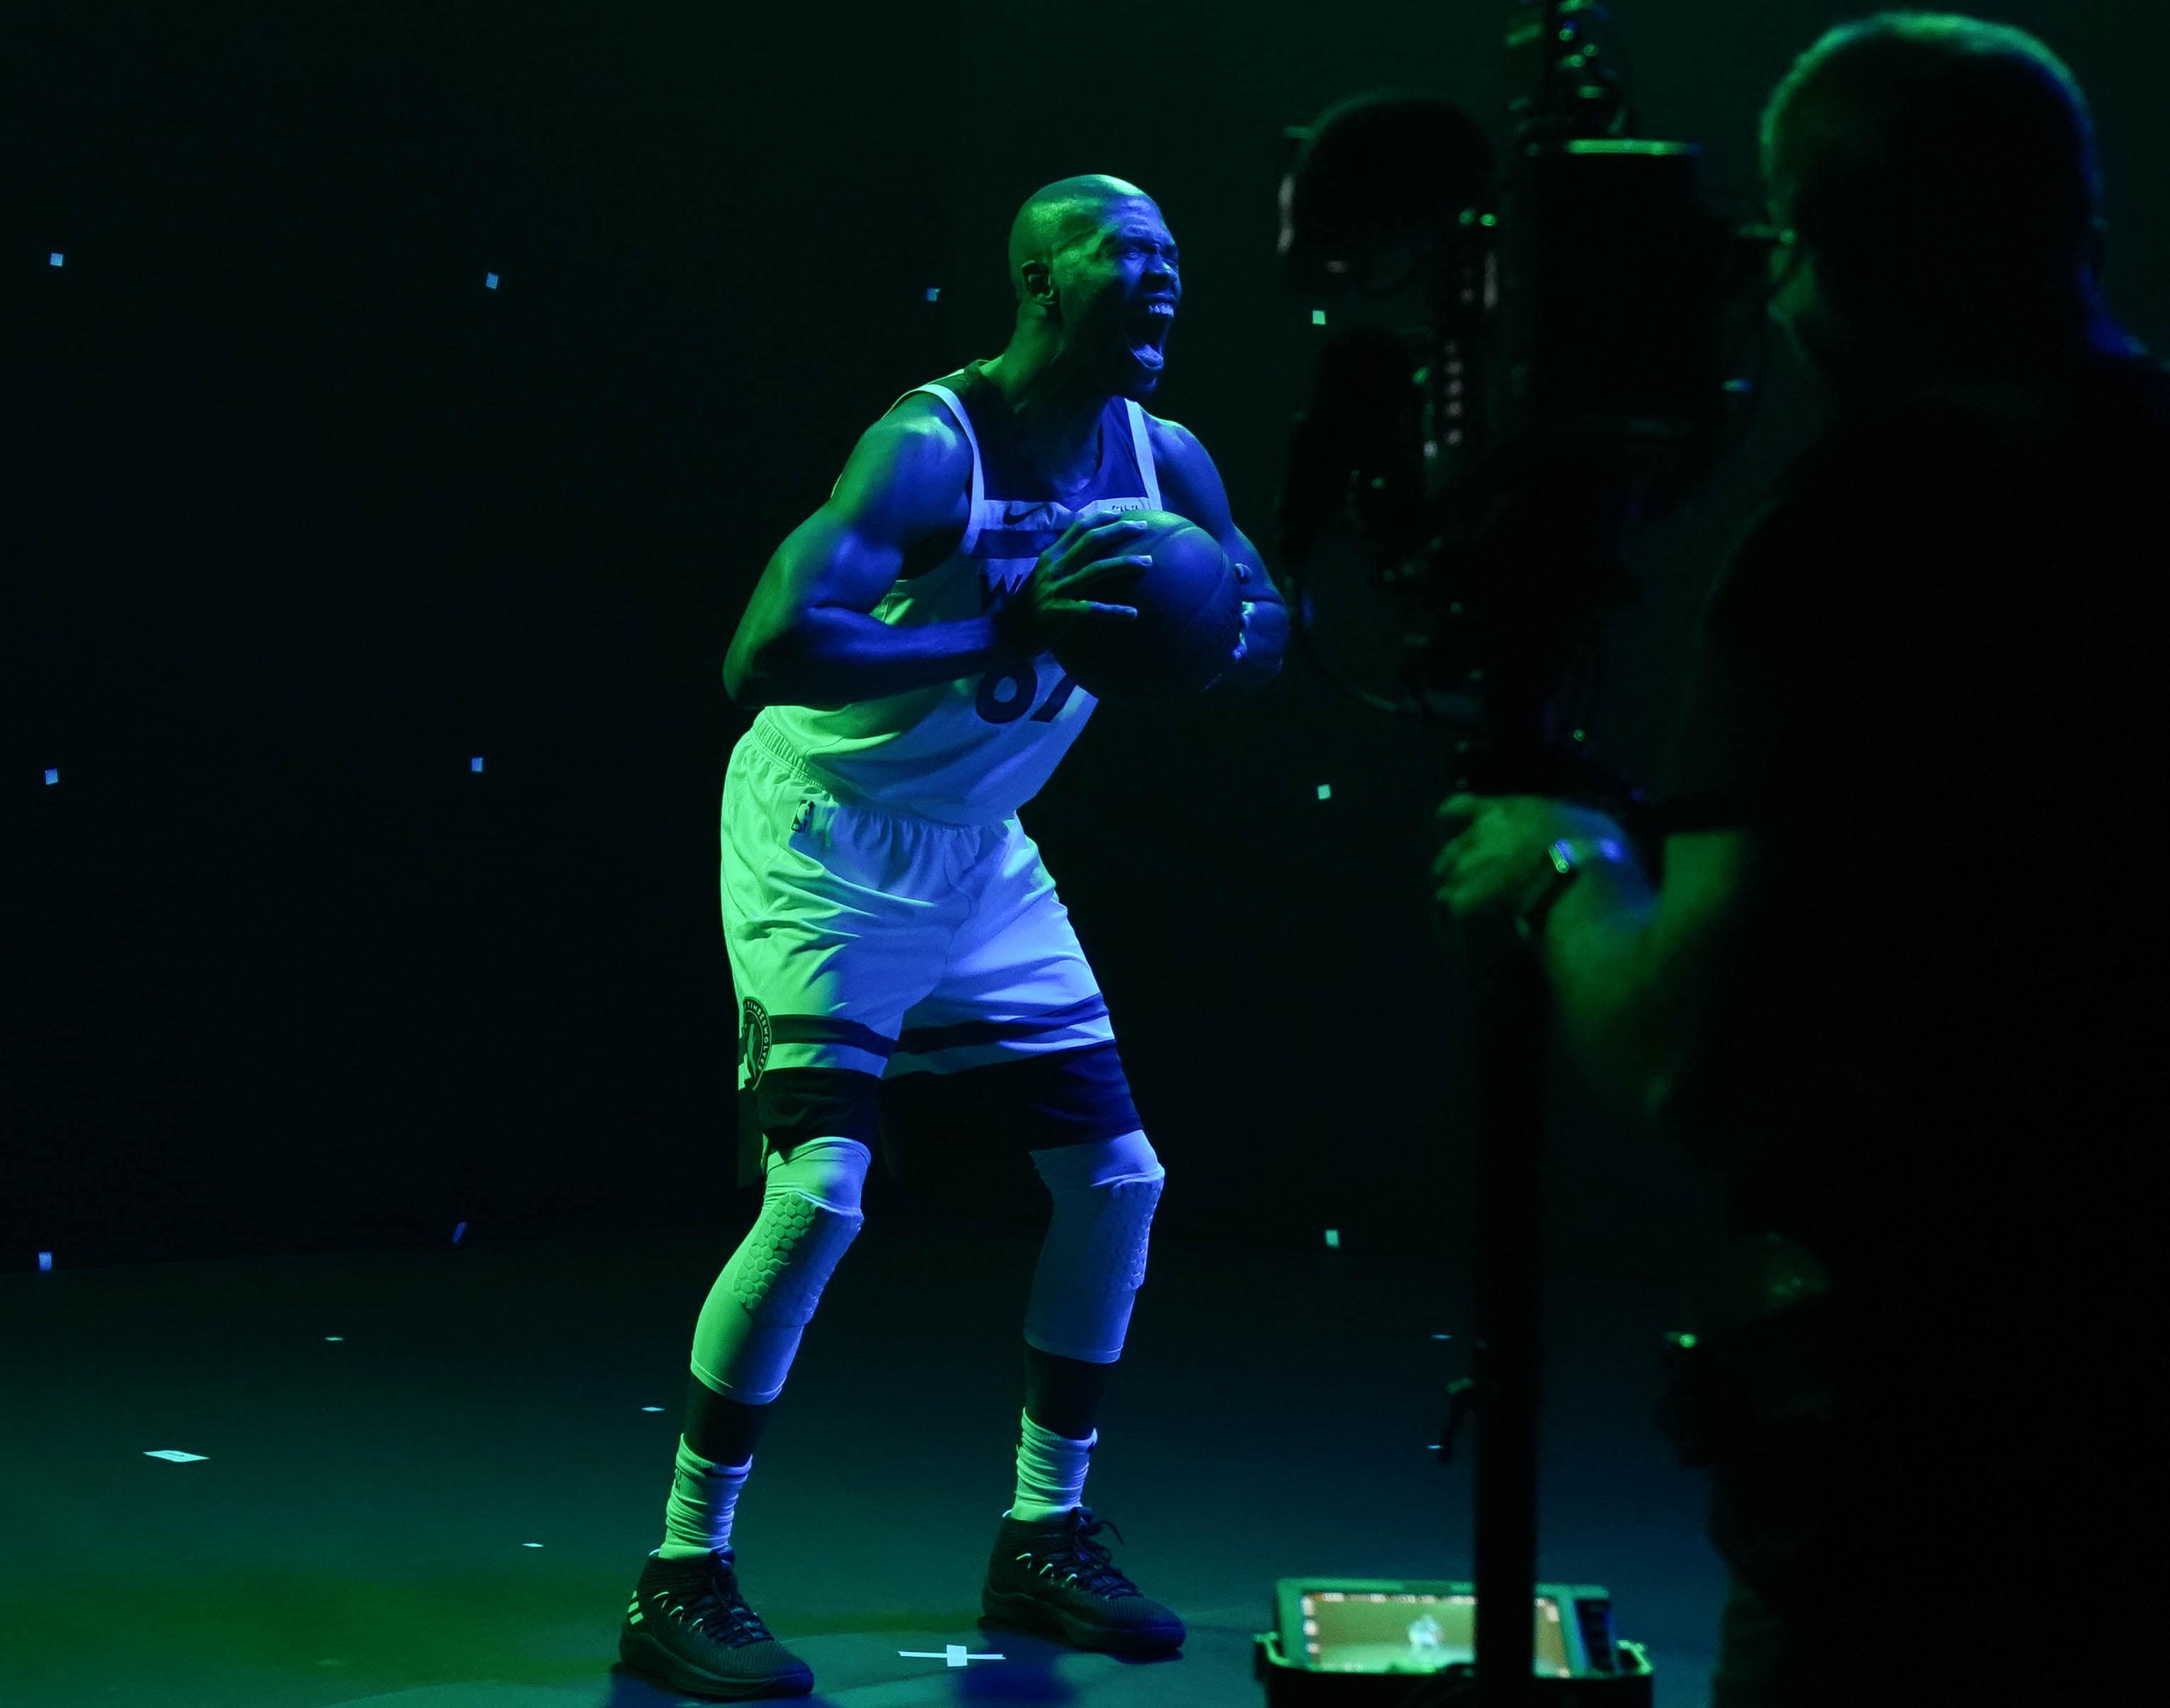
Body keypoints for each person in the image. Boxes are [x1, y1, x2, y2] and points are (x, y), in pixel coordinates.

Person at [1432, 13, 2164, 1705]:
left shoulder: (1866, 538)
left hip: (1936, 1479)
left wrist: (1559, 870)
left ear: (1823, 249)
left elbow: (1708, 1058)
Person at [618, 173, 1285, 1700]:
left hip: (980, 852)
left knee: (1120, 1178)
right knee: (824, 1197)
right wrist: (1013, 628)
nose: (1169, 279)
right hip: (825, 836)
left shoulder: (1160, 457)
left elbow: (1263, 622)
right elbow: (766, 650)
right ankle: (681, 1569)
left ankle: (1043, 1532)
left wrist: (1204, 633)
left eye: (1182, 256)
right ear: (1045, 282)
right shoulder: (934, 447)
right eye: (1132, 254)